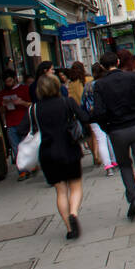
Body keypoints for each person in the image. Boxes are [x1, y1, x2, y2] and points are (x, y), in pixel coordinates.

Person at [90, 49, 135, 221]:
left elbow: (98, 112)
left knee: (125, 165)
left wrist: (107, 129)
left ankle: (133, 196)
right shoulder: (133, 77)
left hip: (117, 130)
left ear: (103, 67)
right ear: (118, 62)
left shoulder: (100, 85)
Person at [26, 73, 90, 240]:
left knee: (60, 191)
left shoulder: (34, 109)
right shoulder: (67, 102)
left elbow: (23, 130)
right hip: (69, 149)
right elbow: (85, 117)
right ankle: (74, 213)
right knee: (75, 186)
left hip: (48, 154)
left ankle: (70, 229)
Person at [0, 71, 34, 180]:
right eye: (6, 82)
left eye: (10, 81)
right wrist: (4, 105)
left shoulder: (25, 89)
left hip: (24, 121)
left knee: (27, 146)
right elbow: (0, 111)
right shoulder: (2, 94)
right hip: (11, 123)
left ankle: (31, 165)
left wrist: (21, 102)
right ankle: (22, 171)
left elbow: (32, 105)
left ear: (14, 78)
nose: (8, 83)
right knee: (16, 148)